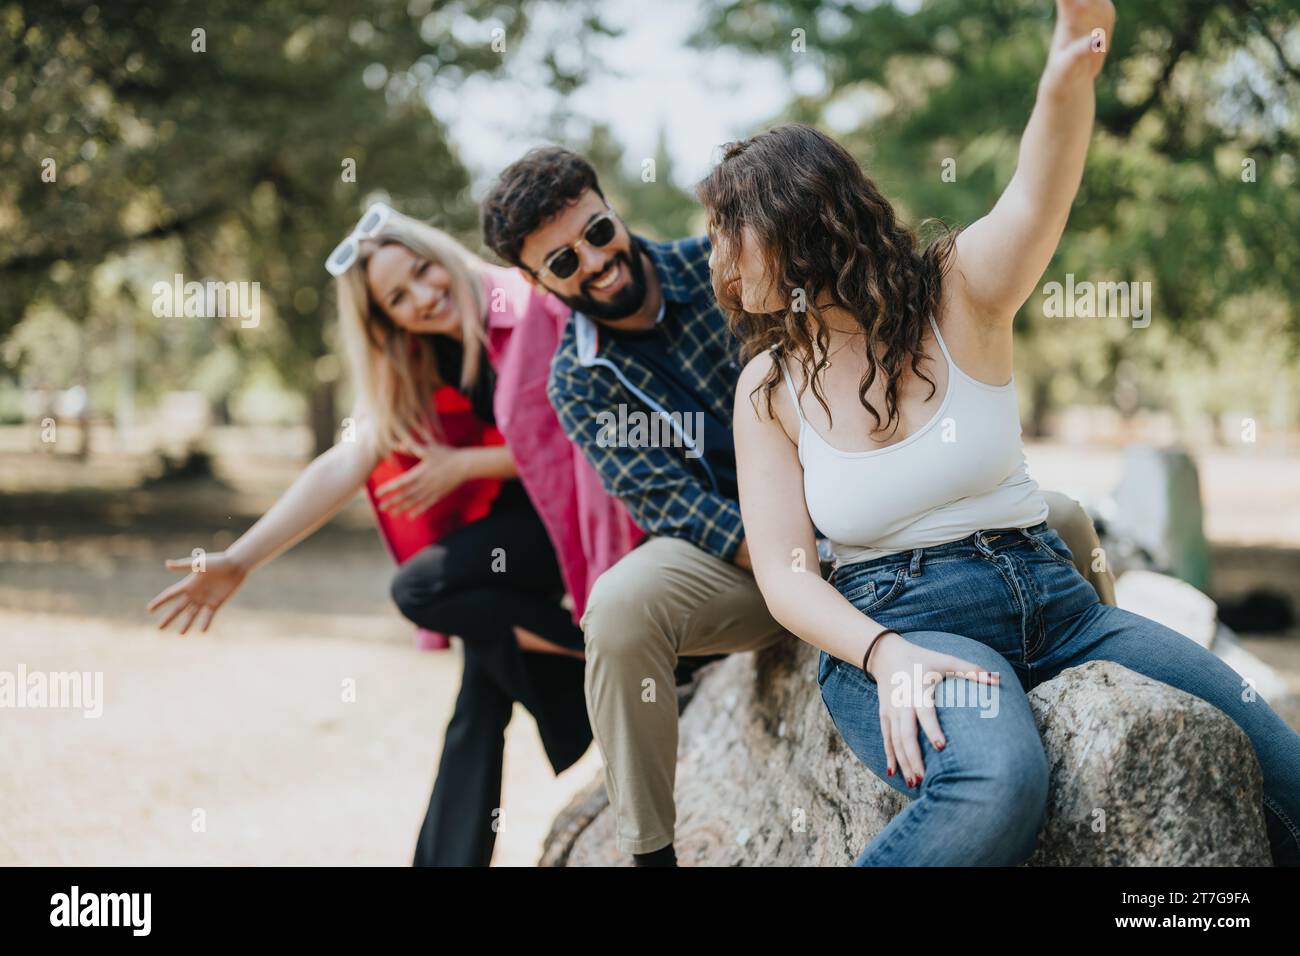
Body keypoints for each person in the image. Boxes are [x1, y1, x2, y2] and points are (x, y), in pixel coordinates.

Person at [711, 0, 1300, 866]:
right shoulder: (768, 387)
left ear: (799, 222)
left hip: (1054, 599)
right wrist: (887, 657)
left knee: (1275, 754)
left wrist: (1067, 73)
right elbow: (787, 575)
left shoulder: (959, 292)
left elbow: (1039, 190)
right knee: (998, 783)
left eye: (731, 229)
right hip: (902, 617)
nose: (717, 256)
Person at [480, 145, 1115, 866]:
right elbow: (675, 506)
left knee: (1061, 518)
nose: (594, 262)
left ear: (611, 210)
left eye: (597, 233)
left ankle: (1101, 689)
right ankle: (649, 851)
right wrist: (803, 559)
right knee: (620, 610)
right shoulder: (577, 379)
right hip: (748, 556)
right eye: (561, 263)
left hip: (874, 516)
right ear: (535, 282)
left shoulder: (734, 259)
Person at [146, 204, 641, 866]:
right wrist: (241, 558)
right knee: (478, 700)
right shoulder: (411, 356)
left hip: (581, 521)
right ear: (386, 319)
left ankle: (593, 659)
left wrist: (467, 464)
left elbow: (579, 437)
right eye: (399, 299)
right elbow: (345, 463)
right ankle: (573, 677)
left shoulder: (525, 305)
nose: (423, 297)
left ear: (439, 250)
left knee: (425, 587)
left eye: (421, 273)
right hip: (514, 534)